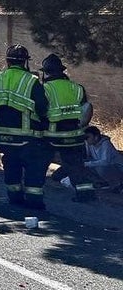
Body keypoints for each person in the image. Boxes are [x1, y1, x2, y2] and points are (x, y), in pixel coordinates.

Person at [0, 45, 50, 209]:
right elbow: (42, 108)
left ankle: (14, 197)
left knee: (11, 166)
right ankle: (34, 202)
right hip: (27, 135)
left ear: (8, 61)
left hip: (2, 135)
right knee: (33, 169)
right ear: (25, 62)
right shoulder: (32, 81)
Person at [40, 53, 96, 202]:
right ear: (62, 71)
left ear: (46, 72)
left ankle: (35, 191)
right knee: (77, 167)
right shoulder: (77, 88)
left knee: (39, 163)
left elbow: (40, 112)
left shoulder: (44, 88)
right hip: (74, 135)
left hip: (52, 135)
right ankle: (86, 194)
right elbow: (85, 109)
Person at [80, 126, 123, 193]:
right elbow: (87, 157)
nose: (86, 140)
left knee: (100, 167)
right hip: (108, 168)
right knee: (87, 165)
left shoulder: (105, 144)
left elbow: (105, 161)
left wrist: (87, 164)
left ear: (96, 137)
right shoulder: (90, 144)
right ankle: (102, 182)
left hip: (118, 169)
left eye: (88, 137)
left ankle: (117, 184)